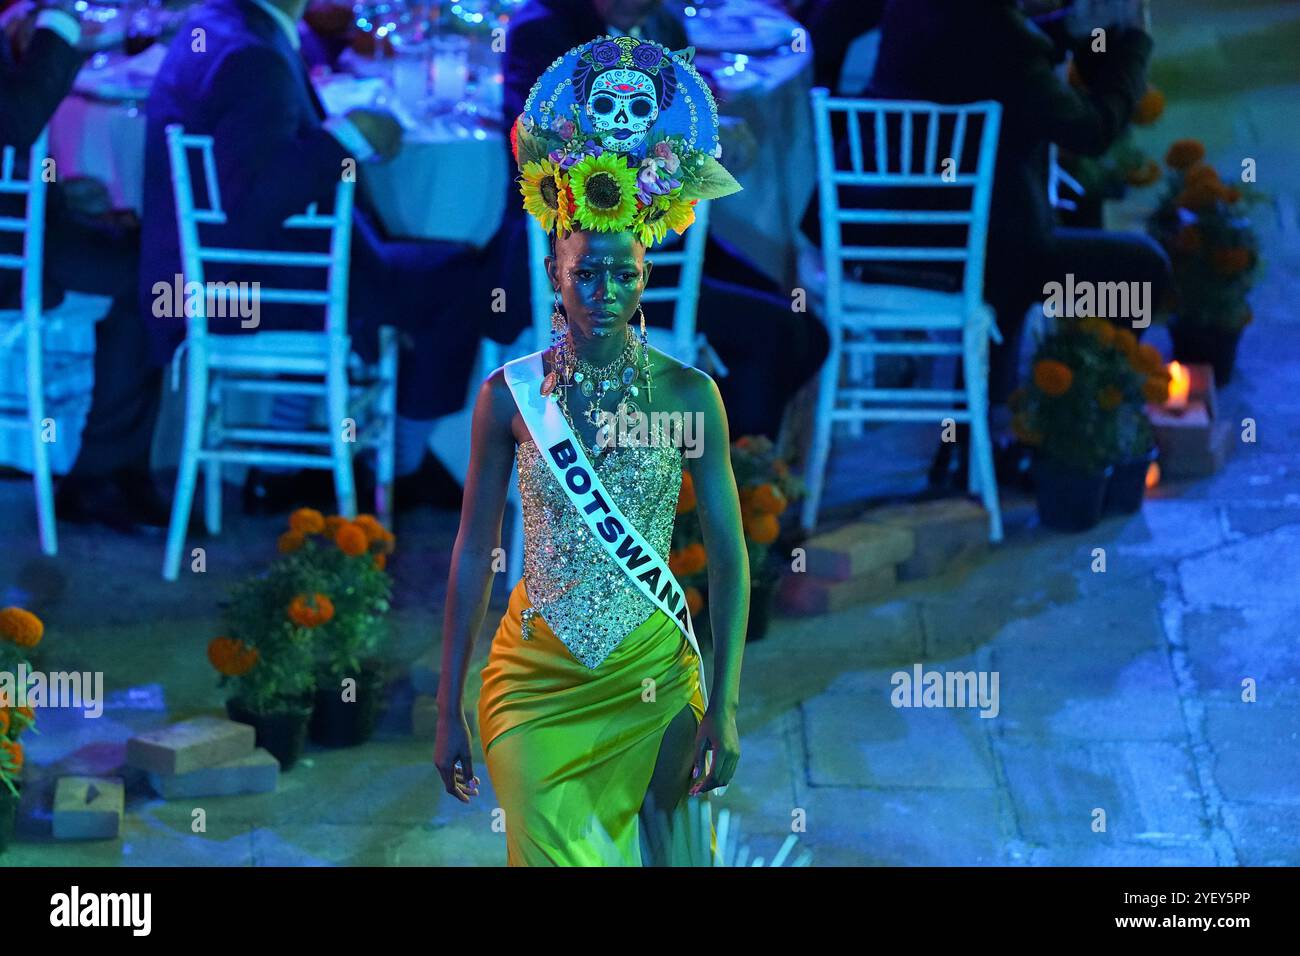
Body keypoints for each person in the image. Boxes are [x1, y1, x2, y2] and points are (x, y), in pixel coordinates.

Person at [435, 36, 744, 866]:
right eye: (585, 273)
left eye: (624, 273)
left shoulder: (689, 396)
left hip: (652, 673)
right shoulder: (510, 397)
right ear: (553, 269)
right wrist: (445, 706)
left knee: (665, 849)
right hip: (531, 677)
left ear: (646, 272)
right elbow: (473, 549)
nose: (604, 293)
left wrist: (727, 702)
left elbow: (727, 555)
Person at [799, 0, 1169, 491]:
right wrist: (1134, 47)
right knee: (1141, 273)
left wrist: (1073, 29)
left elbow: (998, 48)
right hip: (953, 251)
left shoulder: (940, 14)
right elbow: (1090, 130)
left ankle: (989, 435)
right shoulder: (997, 36)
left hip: (884, 227)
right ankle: (1074, 426)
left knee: (1029, 247)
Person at [139, 0, 481, 517]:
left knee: (419, 269)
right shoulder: (253, 54)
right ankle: (402, 468)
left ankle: (280, 470)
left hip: (224, 273)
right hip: (249, 287)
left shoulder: (221, 23)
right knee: (463, 279)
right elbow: (258, 201)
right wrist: (349, 137)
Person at [488, 0, 829, 440]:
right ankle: (715, 488)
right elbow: (543, 143)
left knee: (806, 333)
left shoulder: (663, 25)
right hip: (581, 262)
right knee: (774, 334)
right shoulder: (543, 31)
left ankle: (713, 471)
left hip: (659, 238)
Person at [0, 1, 170, 535]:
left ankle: (114, 468)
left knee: (153, 268)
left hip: (32, 232)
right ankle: (102, 472)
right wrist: (60, 20)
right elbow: (19, 119)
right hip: (16, 251)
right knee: (159, 278)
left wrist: (60, 199)